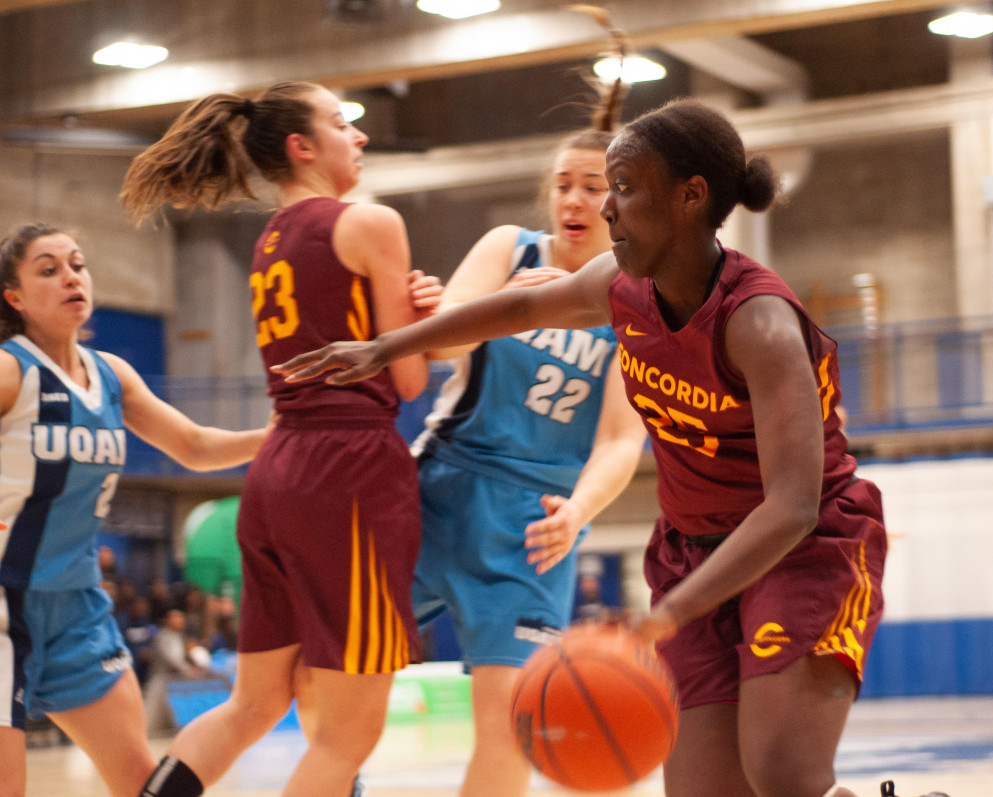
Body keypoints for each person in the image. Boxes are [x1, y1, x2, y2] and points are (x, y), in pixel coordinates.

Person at [274, 98, 902, 797]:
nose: (605, 208)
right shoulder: (621, 285)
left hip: (802, 551)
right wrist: (385, 346)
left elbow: (792, 507)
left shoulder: (760, 322)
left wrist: (668, 611)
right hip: (691, 547)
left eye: (622, 188)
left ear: (691, 197)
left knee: (782, 774)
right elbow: (519, 308)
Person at [121, 80, 435, 797]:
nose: (357, 136)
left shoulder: (268, 240)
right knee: (348, 734)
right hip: (347, 468)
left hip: (276, 464)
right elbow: (412, 377)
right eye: (341, 124)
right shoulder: (371, 224)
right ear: (302, 146)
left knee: (253, 702)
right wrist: (429, 318)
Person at [409, 74, 646, 795]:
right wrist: (430, 310)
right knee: (334, 672)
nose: (573, 200)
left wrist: (579, 512)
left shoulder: (637, 304)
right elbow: (444, 344)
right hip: (438, 491)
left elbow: (618, 440)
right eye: (562, 185)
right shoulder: (509, 249)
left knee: (510, 726)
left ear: (625, 201)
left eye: (592, 187)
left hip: (537, 525)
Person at [0, 222, 270, 797]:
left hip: (77, 609)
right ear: (14, 298)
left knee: (144, 784)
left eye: (77, 263)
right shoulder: (9, 372)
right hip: (2, 604)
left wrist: (283, 433)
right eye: (48, 269)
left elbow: (194, 447)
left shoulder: (112, 376)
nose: (71, 276)